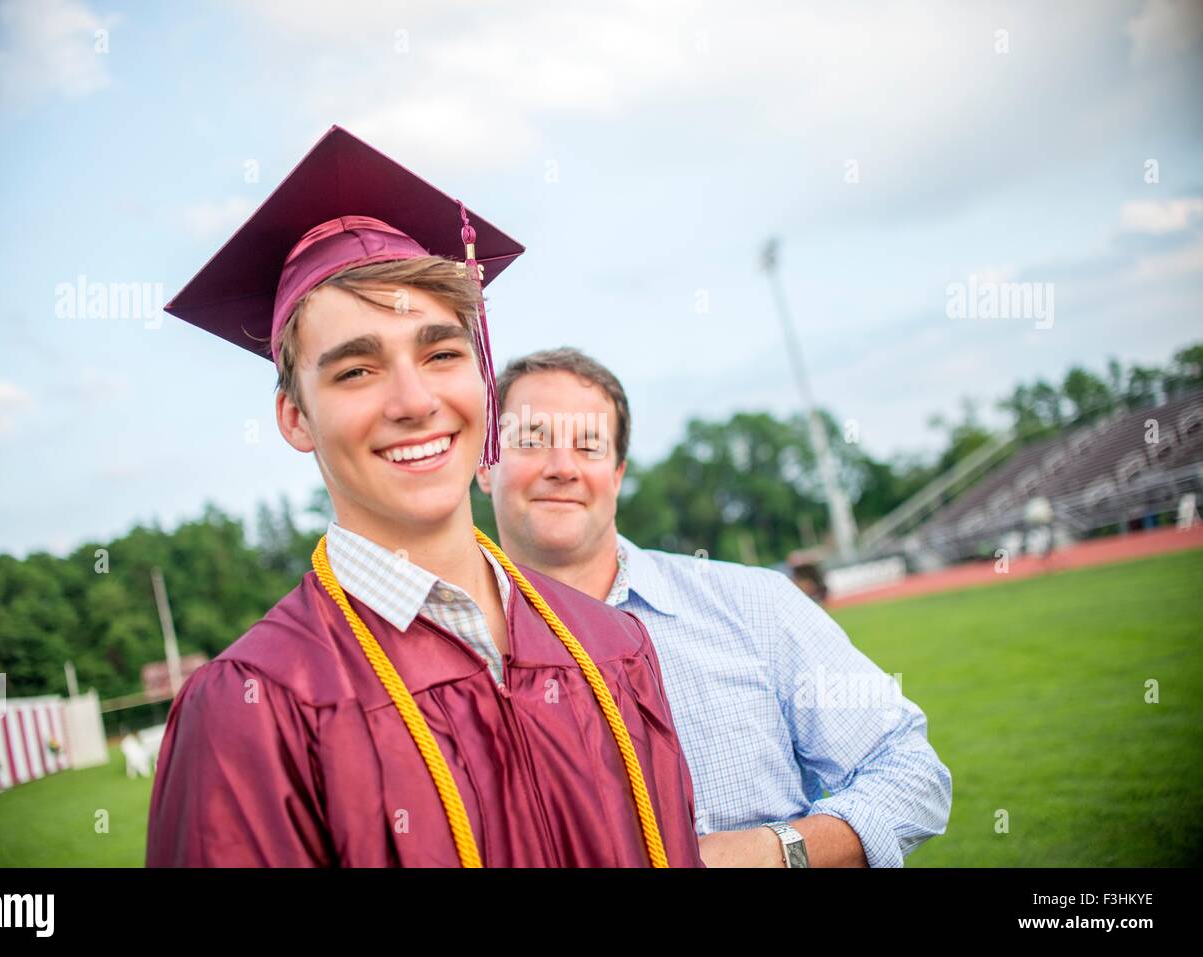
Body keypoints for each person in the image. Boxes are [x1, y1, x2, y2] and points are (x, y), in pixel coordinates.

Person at [145, 128, 703, 868]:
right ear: (294, 417)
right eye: (356, 371)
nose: (414, 401)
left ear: (482, 377)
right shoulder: (254, 710)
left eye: (442, 354)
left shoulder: (612, 649)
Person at [477, 347, 953, 867]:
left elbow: (911, 773)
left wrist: (779, 849)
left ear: (616, 475)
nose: (562, 467)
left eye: (588, 446)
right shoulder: (445, 650)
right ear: (485, 465)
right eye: (531, 440)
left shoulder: (756, 604)